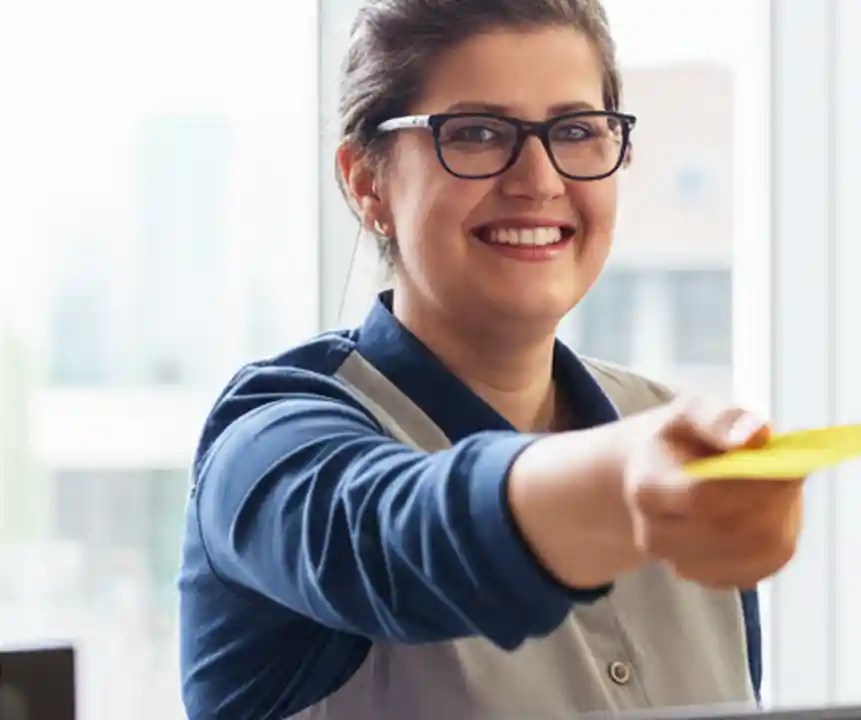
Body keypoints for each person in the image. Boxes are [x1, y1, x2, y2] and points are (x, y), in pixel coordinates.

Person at [177, 2, 803, 718]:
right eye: (475, 133)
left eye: (574, 131)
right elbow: (396, 536)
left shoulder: (664, 431)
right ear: (366, 182)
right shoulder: (266, 445)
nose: (539, 180)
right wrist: (628, 485)